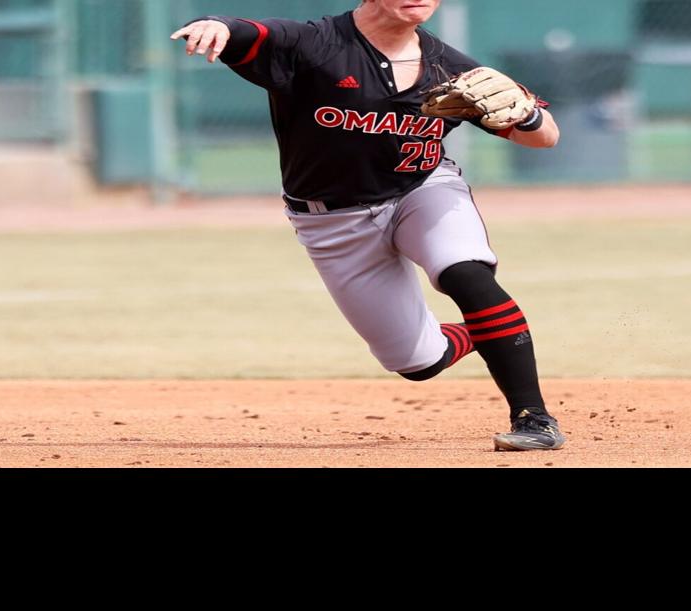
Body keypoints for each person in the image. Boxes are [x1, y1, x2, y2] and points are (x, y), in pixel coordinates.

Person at [169, 0, 567, 451]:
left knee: (464, 273)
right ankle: (490, 331)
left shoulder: (450, 67)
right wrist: (215, 25)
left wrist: (528, 116)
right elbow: (247, 32)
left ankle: (535, 419)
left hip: (422, 189)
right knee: (419, 362)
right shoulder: (313, 45)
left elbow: (546, 136)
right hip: (333, 222)